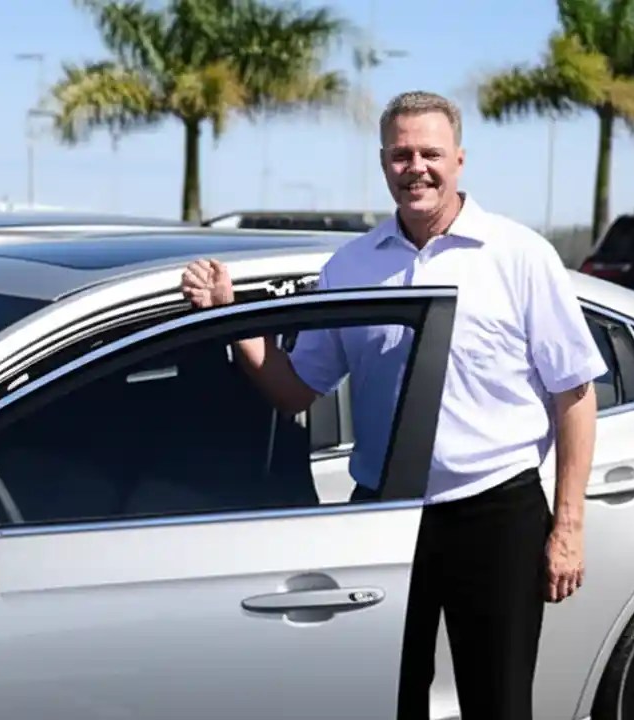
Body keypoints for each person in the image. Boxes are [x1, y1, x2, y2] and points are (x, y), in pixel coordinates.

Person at [179, 90, 606, 719]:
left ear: (459, 160)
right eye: (401, 155)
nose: (416, 168)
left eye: (430, 153)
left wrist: (567, 528)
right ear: (383, 163)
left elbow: (575, 394)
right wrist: (231, 316)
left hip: (495, 512)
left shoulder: (519, 256)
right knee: (383, 703)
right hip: (382, 518)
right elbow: (296, 387)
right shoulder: (350, 268)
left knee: (500, 703)